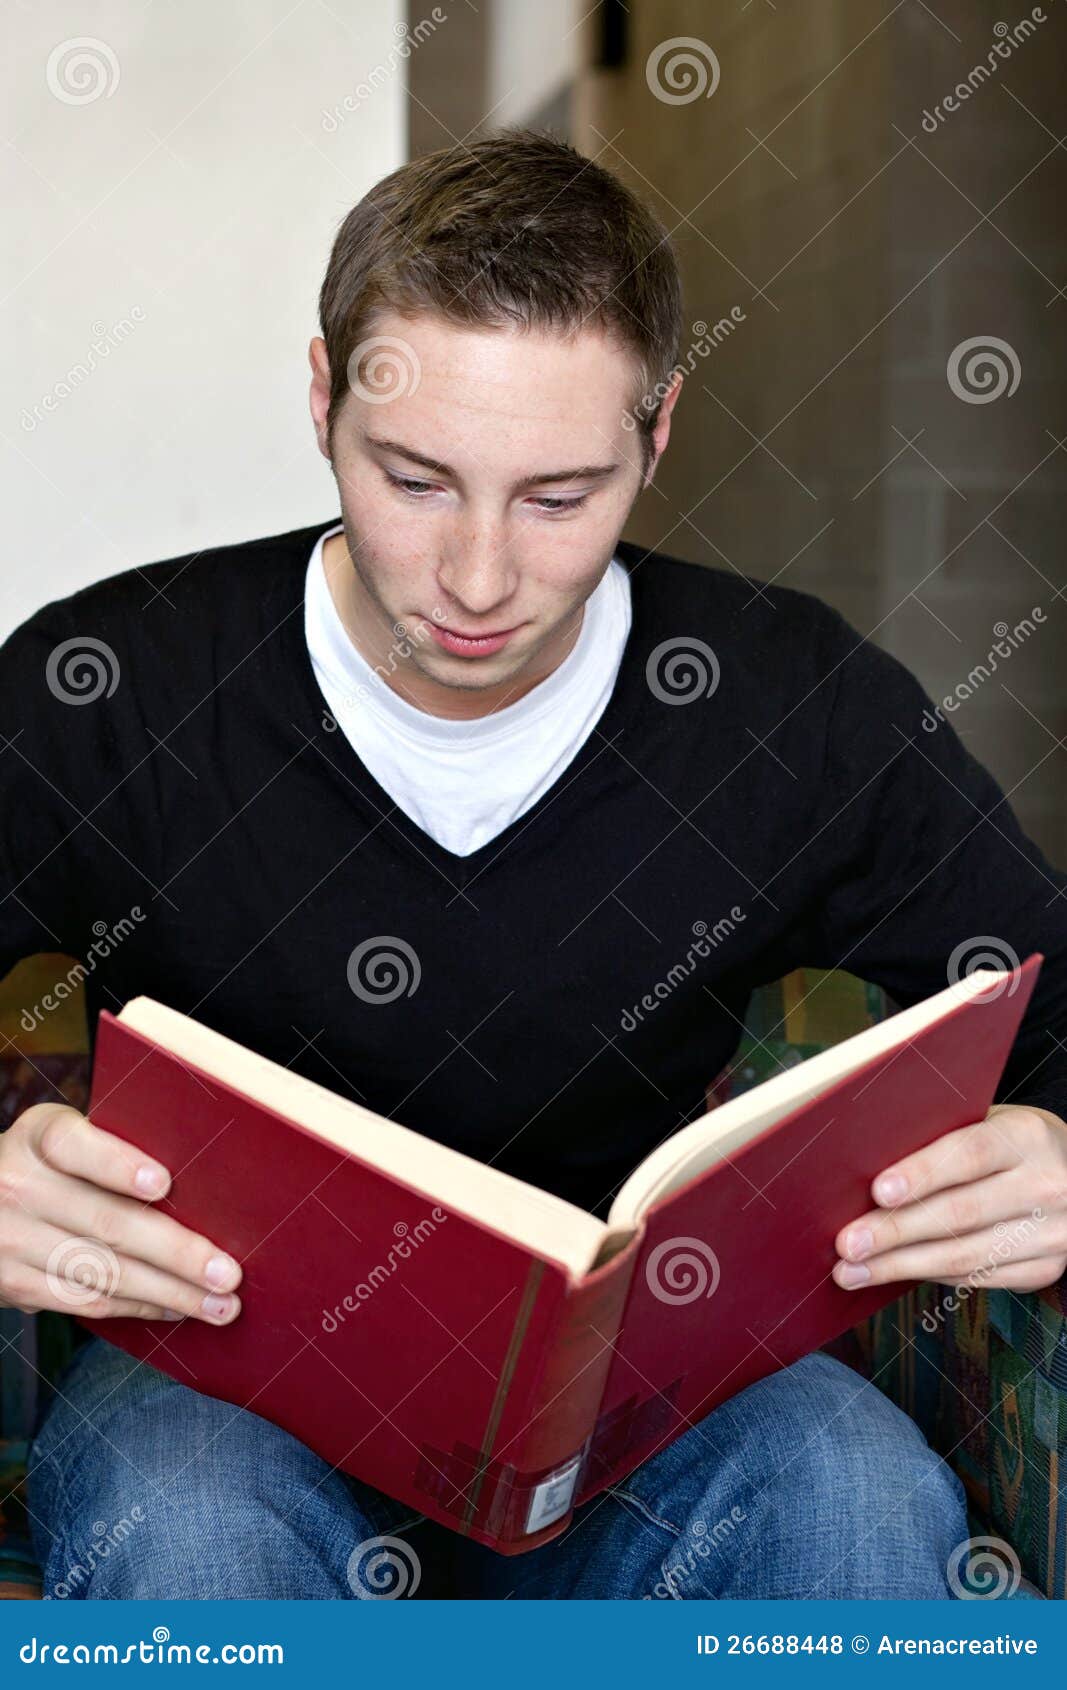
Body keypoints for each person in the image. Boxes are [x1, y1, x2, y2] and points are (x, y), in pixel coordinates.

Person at [4, 128, 1066, 1601]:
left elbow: (1047, 989)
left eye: (560, 497)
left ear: (663, 431)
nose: (482, 578)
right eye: (416, 479)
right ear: (322, 400)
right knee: (189, 1530)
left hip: (654, 1414)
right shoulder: (107, 686)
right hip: (219, 1392)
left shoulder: (790, 704)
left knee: (857, 1495)